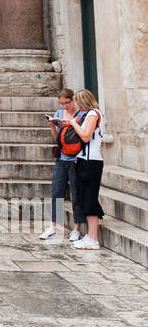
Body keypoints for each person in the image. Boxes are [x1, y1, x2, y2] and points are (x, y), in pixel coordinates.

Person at [39, 88, 79, 241]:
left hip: (76, 159)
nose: (65, 106)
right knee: (57, 192)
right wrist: (52, 126)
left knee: (76, 193)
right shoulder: (59, 113)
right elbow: (57, 138)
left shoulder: (81, 114)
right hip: (62, 158)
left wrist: (71, 124)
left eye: (67, 103)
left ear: (73, 100)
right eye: (62, 103)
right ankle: (53, 226)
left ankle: (76, 228)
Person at [67, 89, 105, 251]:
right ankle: (90, 236)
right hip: (84, 161)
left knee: (89, 198)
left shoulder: (93, 114)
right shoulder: (89, 114)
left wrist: (73, 122)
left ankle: (93, 239)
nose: (77, 106)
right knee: (85, 198)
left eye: (79, 102)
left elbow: (86, 136)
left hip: (91, 162)